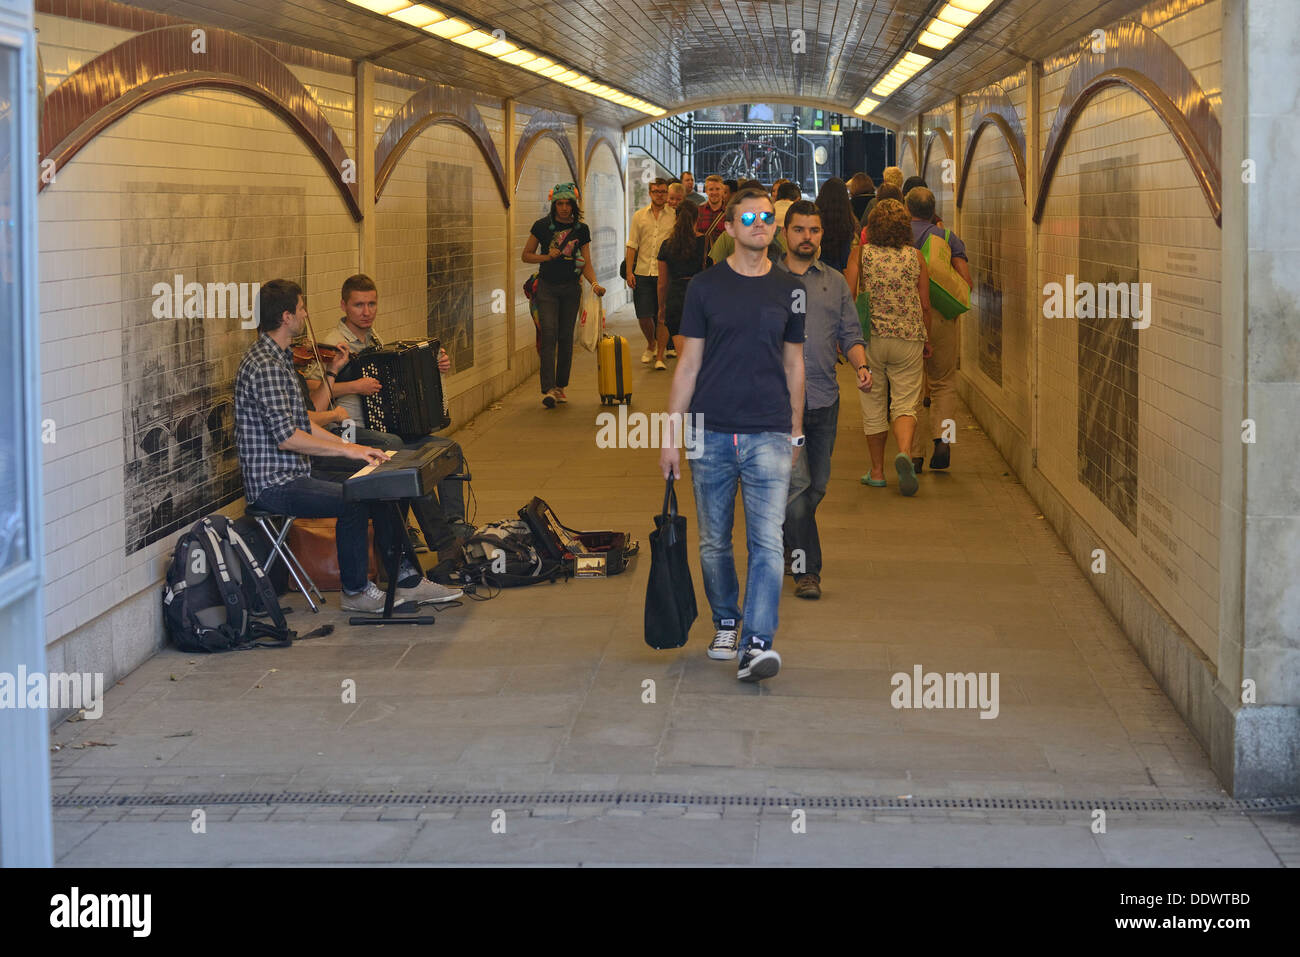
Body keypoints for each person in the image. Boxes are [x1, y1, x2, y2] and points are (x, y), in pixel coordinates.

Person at [233, 279, 459, 610]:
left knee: (378, 486)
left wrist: (356, 451)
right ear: (286, 317)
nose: (304, 314)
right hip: (275, 484)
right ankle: (356, 592)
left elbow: (304, 421)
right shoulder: (265, 365)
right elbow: (288, 438)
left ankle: (407, 579)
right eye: (300, 308)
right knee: (355, 500)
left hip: (297, 473)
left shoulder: (279, 357)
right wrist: (349, 449)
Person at [660, 188, 805, 683]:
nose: (760, 223)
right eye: (749, 217)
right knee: (713, 543)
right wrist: (669, 435)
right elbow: (689, 364)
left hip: (769, 431)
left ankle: (757, 643)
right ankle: (726, 620)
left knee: (768, 541)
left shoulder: (789, 289)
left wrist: (797, 430)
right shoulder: (704, 288)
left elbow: (794, 364)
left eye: (768, 216)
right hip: (709, 432)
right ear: (729, 227)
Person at [300, 274, 472, 558]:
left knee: (447, 450)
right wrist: (354, 386)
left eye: (371, 304)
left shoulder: (373, 337)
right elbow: (310, 389)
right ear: (343, 306)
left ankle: (455, 524)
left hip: (378, 425)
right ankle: (430, 534)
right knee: (396, 446)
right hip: (345, 429)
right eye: (358, 305)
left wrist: (435, 366)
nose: (366, 312)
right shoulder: (333, 343)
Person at [777, 201, 871, 599]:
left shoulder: (834, 282)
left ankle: (786, 537)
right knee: (797, 490)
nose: (807, 238)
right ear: (785, 233)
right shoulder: (766, 281)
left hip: (825, 399)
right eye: (799, 230)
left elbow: (850, 333)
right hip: (779, 405)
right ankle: (807, 571)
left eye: (813, 231)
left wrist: (862, 366)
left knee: (816, 488)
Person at [854, 200, 931, 496]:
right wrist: (928, 340)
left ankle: (876, 472)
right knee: (905, 402)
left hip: (872, 338)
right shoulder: (915, 257)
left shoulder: (861, 255)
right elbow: (925, 304)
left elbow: (848, 295)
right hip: (908, 336)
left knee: (873, 402)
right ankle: (904, 454)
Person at [906, 186, 972, 473]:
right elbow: (966, 282)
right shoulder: (947, 237)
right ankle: (943, 440)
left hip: (906, 315)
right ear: (932, 211)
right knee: (944, 382)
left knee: (911, 387)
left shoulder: (900, 236)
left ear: (907, 209)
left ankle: (915, 455)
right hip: (942, 315)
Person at [521, 182, 605, 407]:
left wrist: (595, 284)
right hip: (547, 287)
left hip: (571, 288)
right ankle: (547, 389)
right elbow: (526, 255)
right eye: (560, 203)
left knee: (566, 337)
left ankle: (560, 386)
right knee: (549, 333)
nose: (564, 208)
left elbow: (586, 262)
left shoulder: (581, 230)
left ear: (574, 204)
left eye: (568, 203)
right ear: (553, 204)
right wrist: (546, 257)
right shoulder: (541, 226)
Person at [625, 178, 676, 365]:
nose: (660, 195)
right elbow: (632, 245)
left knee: (662, 314)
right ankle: (651, 343)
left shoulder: (674, 216)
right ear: (650, 193)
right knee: (644, 314)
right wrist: (629, 272)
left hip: (665, 273)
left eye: (663, 192)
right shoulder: (639, 216)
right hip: (643, 271)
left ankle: (660, 355)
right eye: (656, 192)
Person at [655, 201, 704, 367]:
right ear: (697, 218)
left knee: (684, 359)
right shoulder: (705, 243)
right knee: (699, 359)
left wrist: (662, 307)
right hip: (699, 299)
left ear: (676, 219)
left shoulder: (667, 245)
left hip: (675, 297)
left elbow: (662, 283)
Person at [813, 177, 857, 274]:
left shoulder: (816, 217)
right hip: (837, 272)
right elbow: (845, 257)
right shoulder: (847, 221)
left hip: (815, 267)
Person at [696, 175, 729, 260]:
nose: (714, 192)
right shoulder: (698, 211)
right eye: (711, 189)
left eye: (717, 189)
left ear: (723, 191)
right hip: (701, 258)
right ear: (706, 191)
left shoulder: (730, 213)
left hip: (723, 258)